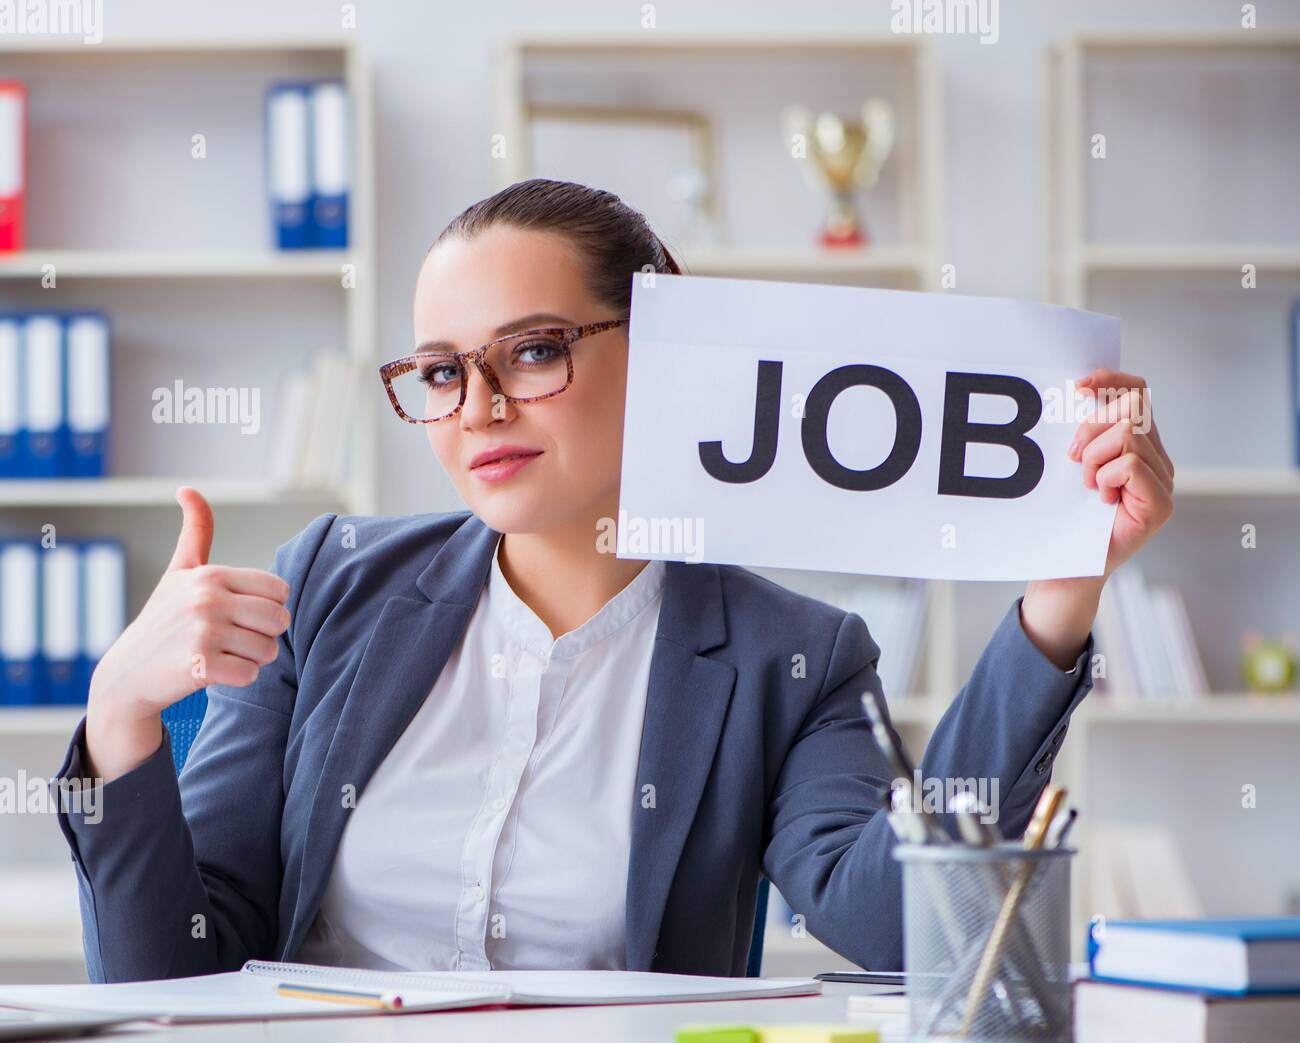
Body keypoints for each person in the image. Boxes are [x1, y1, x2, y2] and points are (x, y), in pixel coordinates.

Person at [54, 179, 1174, 981]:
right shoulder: (331, 585)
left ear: (665, 348)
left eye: (534, 349)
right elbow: (168, 970)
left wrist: (1058, 598)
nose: (479, 405)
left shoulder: (792, 655)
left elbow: (906, 923)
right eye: (441, 370)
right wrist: (120, 718)